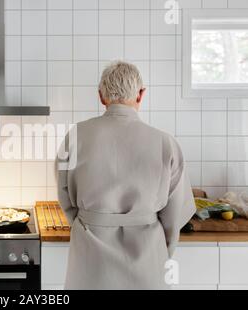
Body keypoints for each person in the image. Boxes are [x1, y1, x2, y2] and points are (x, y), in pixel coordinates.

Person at [56, 61, 196, 290]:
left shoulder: (76, 136)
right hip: (147, 261)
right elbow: (175, 215)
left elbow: (65, 196)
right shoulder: (165, 142)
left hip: (90, 261)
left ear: (101, 96)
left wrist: (89, 223)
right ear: (141, 95)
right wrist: (162, 251)